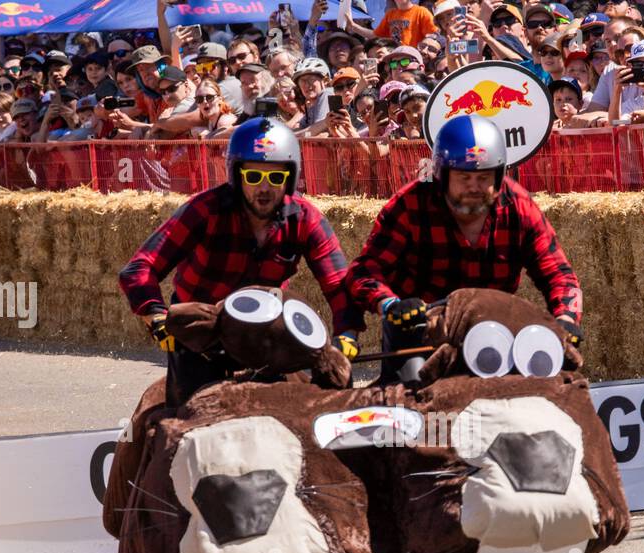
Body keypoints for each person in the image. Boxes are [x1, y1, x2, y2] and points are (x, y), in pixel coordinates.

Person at [118, 117, 360, 407]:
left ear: (291, 178)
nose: (265, 188)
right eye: (254, 177)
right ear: (237, 175)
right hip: (202, 334)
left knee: (333, 389)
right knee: (186, 421)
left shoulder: (307, 218)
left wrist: (347, 334)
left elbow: (339, 286)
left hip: (266, 334)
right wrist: (156, 316)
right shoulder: (204, 209)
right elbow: (140, 268)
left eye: (276, 177)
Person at [345, 115, 583, 384]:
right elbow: (363, 270)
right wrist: (389, 304)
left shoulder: (519, 206)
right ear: (441, 175)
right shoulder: (410, 203)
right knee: (411, 398)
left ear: (500, 174)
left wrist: (565, 318)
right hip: (417, 327)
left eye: (484, 177)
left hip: (491, 326)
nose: (474, 187)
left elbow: (558, 273)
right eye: (464, 176)